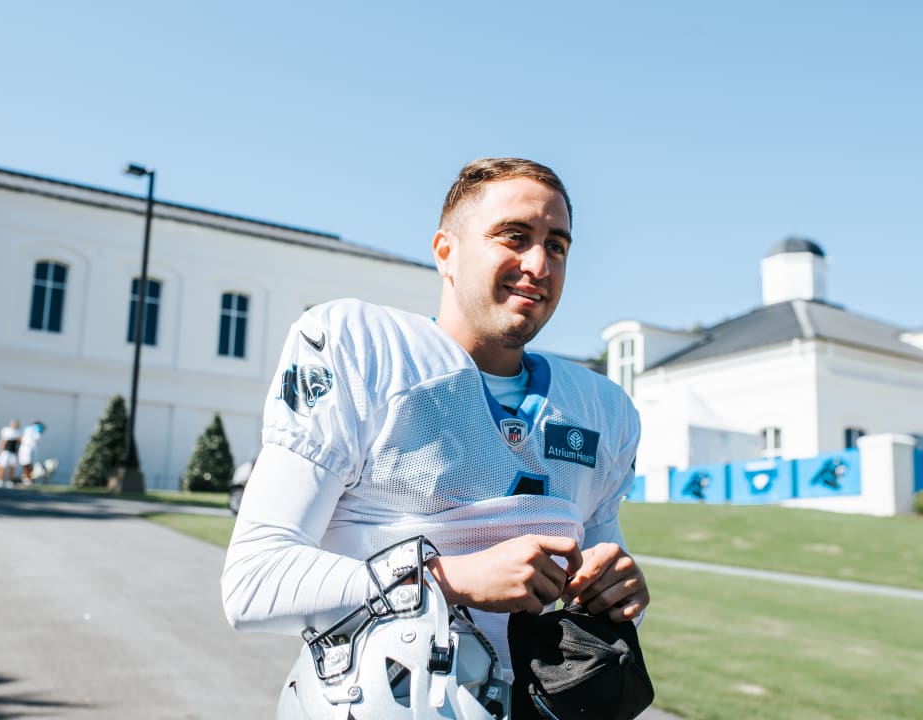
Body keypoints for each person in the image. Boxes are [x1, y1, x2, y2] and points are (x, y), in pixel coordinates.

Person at [221, 159, 649, 702]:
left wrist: (613, 592)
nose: (539, 263)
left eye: (557, 245)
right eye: (514, 237)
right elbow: (254, 582)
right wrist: (447, 578)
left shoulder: (601, 408)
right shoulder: (362, 348)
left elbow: (595, 600)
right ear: (446, 252)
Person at [0, 419, 21, 488]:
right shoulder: (7, 431)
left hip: (13, 452)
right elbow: (3, 442)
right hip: (6, 451)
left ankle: (10, 481)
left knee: (12, 467)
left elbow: (19, 443)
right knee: (2, 466)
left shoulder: (18, 432)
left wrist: (18, 452)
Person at [18, 420, 44, 484]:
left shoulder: (35, 429)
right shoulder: (29, 429)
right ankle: (26, 477)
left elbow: (37, 436)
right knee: (25, 463)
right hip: (25, 447)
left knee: (28, 463)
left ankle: (28, 478)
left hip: (30, 448)